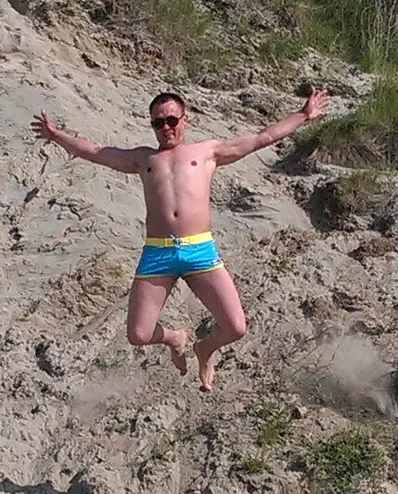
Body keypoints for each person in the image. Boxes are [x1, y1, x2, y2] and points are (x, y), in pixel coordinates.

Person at [31, 88, 329, 391]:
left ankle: (205, 349)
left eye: (172, 120)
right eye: (158, 122)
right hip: (158, 254)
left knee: (236, 327)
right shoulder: (143, 158)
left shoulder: (207, 152)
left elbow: (262, 138)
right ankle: (175, 338)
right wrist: (56, 135)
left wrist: (303, 115)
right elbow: (95, 152)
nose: (166, 128)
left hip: (199, 250)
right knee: (138, 334)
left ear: (185, 120)